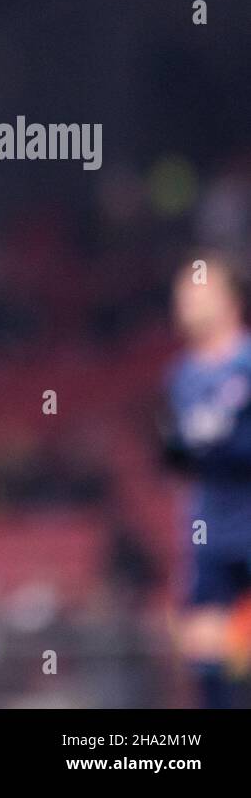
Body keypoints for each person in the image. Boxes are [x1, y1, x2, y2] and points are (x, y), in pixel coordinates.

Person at [161, 250, 251, 707]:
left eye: (197, 289)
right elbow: (177, 461)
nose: (187, 302)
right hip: (211, 526)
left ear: (230, 298)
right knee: (206, 656)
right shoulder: (182, 378)